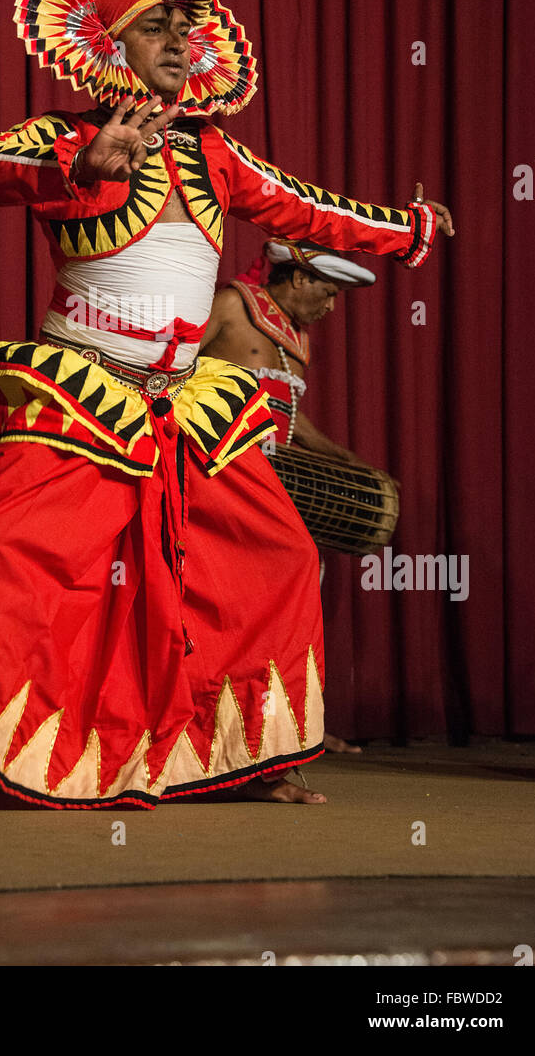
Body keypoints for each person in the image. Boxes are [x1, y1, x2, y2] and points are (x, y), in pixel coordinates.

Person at [0, 0, 453, 815]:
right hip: (81, 394)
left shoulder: (218, 157)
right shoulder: (64, 138)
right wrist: (73, 170)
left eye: (187, 30)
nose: (181, 44)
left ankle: (249, 753)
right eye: (158, 29)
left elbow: (311, 209)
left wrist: (403, 226)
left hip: (185, 402)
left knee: (272, 554)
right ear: (106, 46)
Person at [200, 239, 387, 753]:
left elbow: (288, 416)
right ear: (298, 278)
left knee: (301, 589)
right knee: (238, 597)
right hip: (223, 478)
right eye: (326, 293)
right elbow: (174, 369)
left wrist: (343, 457)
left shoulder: (296, 338)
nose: (330, 306)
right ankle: (213, 724)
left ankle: (292, 723)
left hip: (277, 482)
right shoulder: (231, 305)